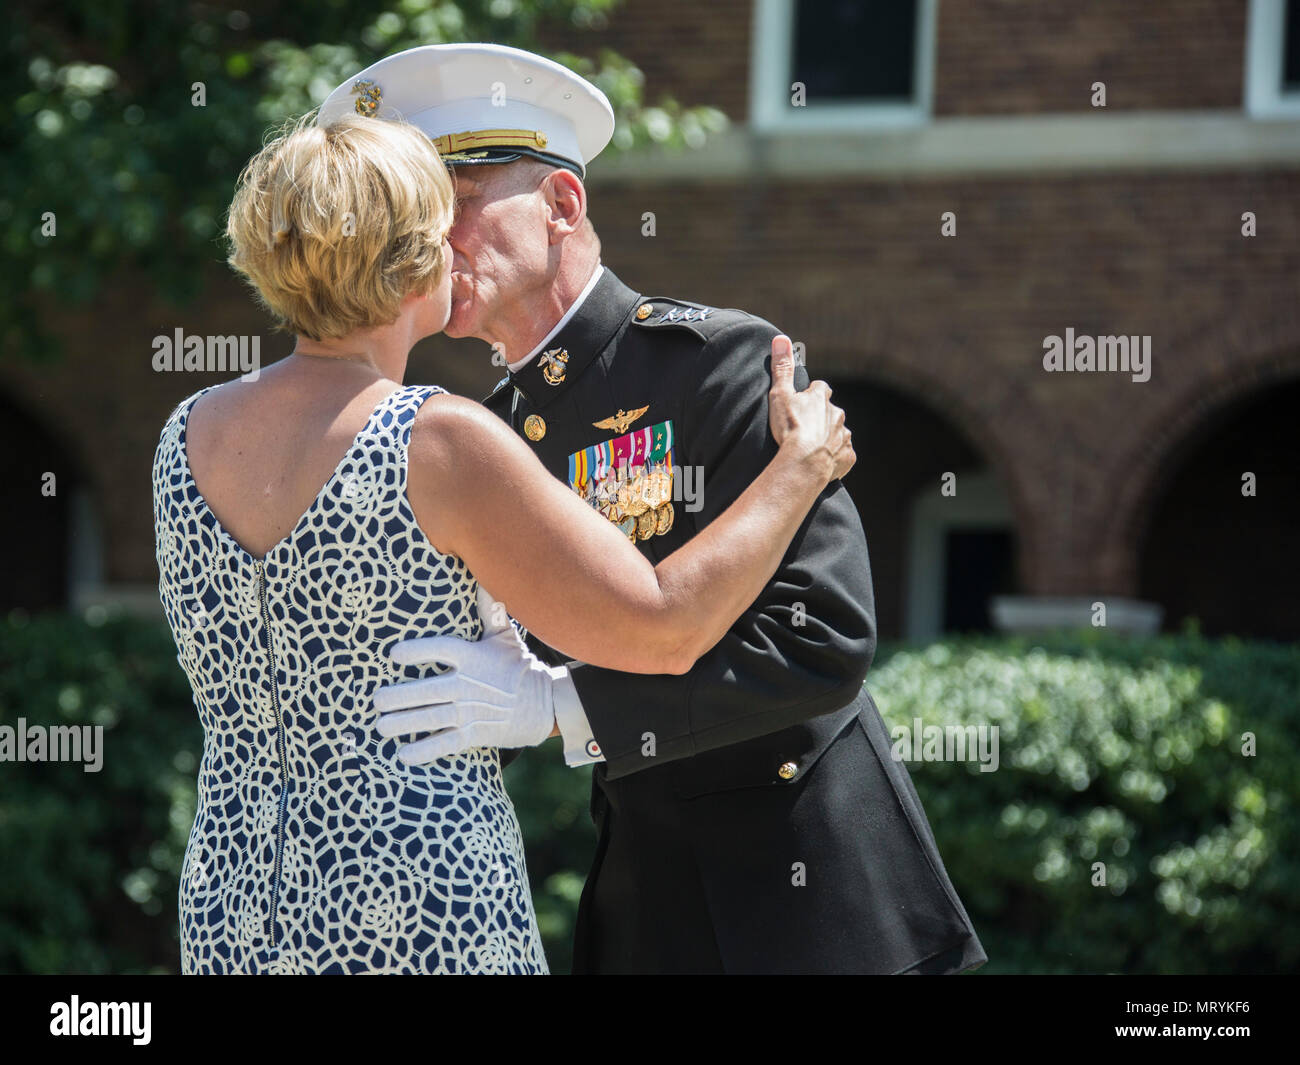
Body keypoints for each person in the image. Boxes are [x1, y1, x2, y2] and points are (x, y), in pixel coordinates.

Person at [151, 112, 854, 974]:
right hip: (413, 895)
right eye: (436, 219)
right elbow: (666, 625)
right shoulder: (442, 439)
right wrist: (802, 467)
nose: (453, 240)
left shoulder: (185, 434)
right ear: (413, 254)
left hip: (231, 890)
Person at [343, 43, 989, 974]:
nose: (430, 244)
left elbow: (820, 642)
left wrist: (558, 706)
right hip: (649, 892)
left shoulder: (718, 363)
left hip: (814, 891)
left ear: (562, 205)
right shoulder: (478, 435)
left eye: (456, 207)